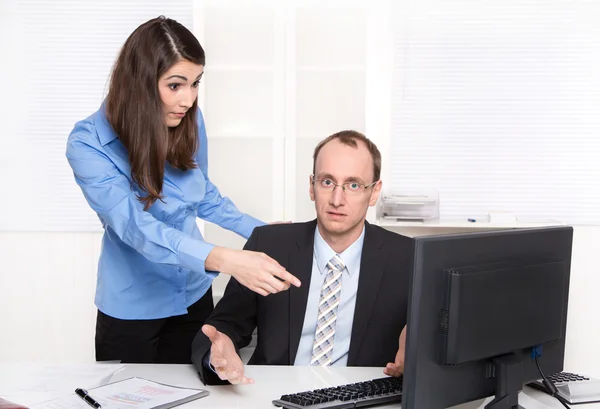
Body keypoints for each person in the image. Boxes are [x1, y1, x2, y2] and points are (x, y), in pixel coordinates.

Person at [65, 16, 300, 364]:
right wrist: (227, 258)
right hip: (131, 311)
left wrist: (263, 234)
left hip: (193, 296)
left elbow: (202, 194)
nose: (188, 99)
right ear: (140, 83)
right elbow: (135, 227)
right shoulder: (88, 143)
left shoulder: (189, 119)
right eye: (175, 85)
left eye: (195, 83)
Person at [191, 130, 411, 385]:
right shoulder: (269, 244)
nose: (337, 200)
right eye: (327, 182)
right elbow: (221, 327)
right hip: (273, 397)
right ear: (311, 186)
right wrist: (219, 352)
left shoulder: (407, 258)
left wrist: (418, 350)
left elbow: (442, 338)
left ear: (374, 192)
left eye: (353, 185)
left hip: (361, 398)